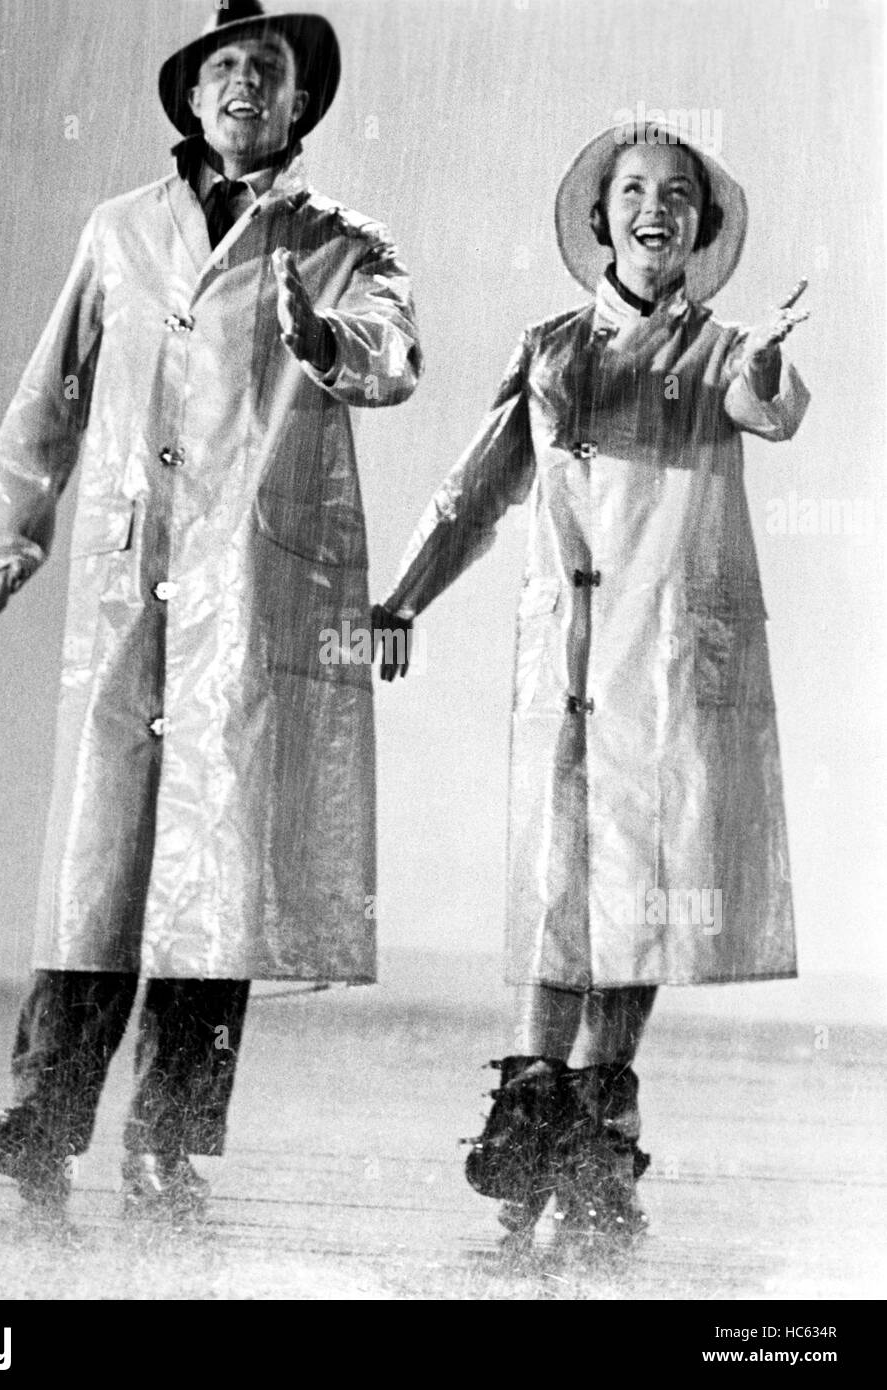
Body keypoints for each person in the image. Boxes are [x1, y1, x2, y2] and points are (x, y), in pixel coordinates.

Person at [0, 0, 421, 1219]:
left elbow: (395, 354)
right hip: (129, 584)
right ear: (191, 95)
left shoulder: (338, 241)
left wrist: (323, 336)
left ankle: (167, 1143)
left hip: (250, 589)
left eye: (266, 69)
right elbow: (48, 390)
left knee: (214, 892)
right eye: (223, 67)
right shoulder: (118, 230)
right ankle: (42, 1119)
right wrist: (11, 537)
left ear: (300, 99)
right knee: (97, 868)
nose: (243, 87)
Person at [374, 122, 808, 1242]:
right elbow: (476, 488)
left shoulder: (721, 352)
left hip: (667, 663)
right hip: (564, 659)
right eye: (631, 190)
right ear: (601, 217)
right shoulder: (550, 348)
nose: (652, 207)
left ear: (700, 230)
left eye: (676, 194)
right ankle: (530, 1111)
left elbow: (774, 405)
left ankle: (599, 1119)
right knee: (559, 883)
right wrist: (404, 595)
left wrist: (765, 368)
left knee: (645, 899)